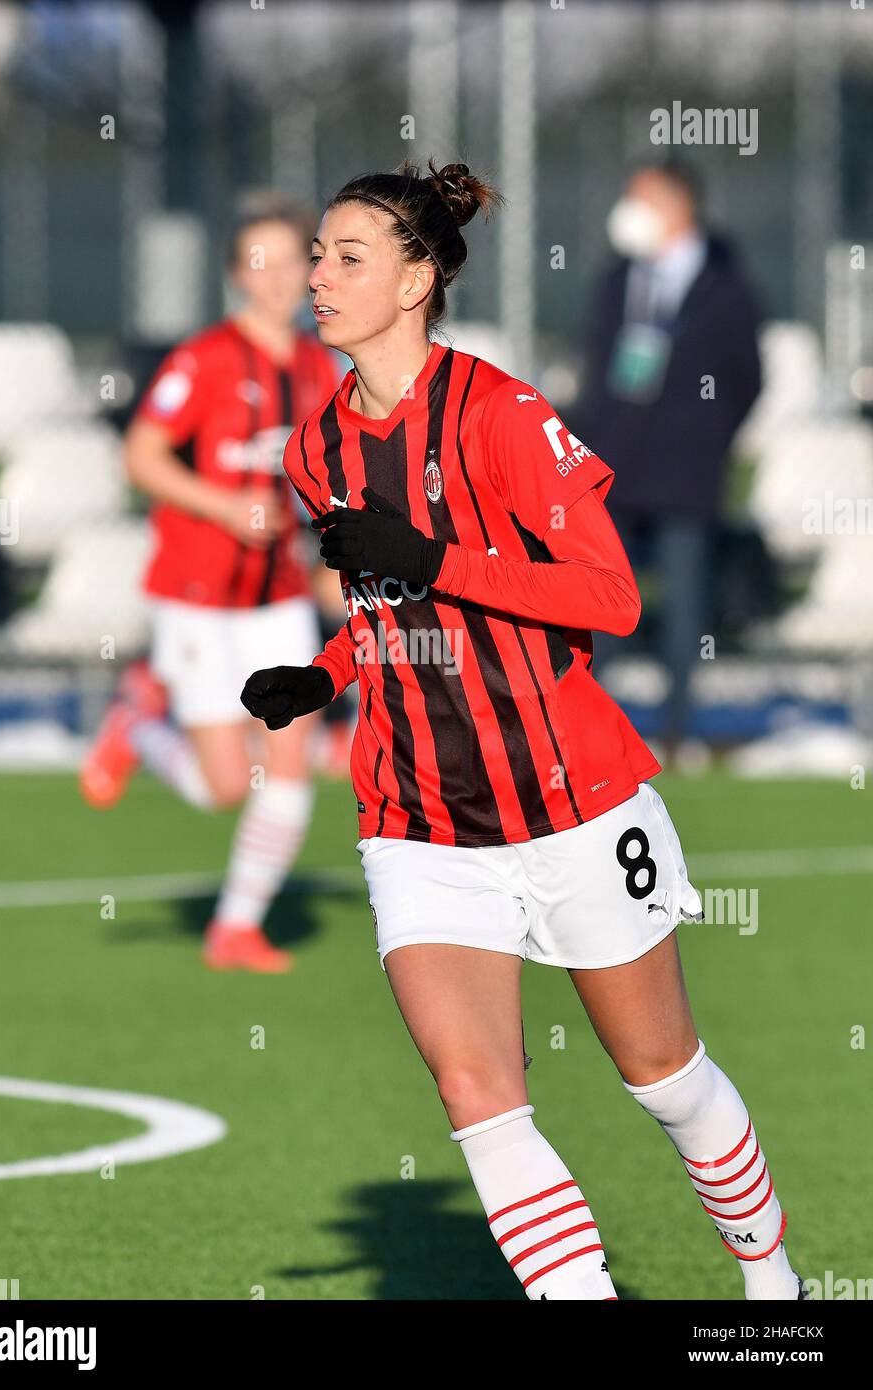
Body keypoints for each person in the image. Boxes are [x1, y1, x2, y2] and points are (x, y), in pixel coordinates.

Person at [240, 158, 806, 1300]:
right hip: (418, 819)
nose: (319, 276)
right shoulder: (317, 448)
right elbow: (387, 611)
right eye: (317, 255)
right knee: (474, 1092)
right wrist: (323, 669)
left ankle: (775, 1284)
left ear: (417, 281)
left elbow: (611, 599)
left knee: (663, 1076)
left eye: (349, 257)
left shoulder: (499, 414)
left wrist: (433, 556)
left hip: (573, 802)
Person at [80, 192, 340, 973]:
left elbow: (327, 481)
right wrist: (222, 503)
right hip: (195, 594)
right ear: (236, 274)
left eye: (294, 259)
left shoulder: (319, 367)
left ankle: (235, 927)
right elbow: (141, 458)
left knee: (292, 762)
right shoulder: (203, 358)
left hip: (277, 601)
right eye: (261, 260)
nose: (279, 276)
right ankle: (137, 719)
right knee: (222, 786)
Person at [580, 159, 762, 757]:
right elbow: (600, 370)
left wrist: (708, 435)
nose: (627, 212)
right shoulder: (617, 279)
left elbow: (746, 376)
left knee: (685, 605)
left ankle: (677, 731)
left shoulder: (725, 283)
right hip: (615, 468)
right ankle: (585, 728)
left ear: (676, 205)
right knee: (598, 600)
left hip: (687, 472)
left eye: (641, 199)